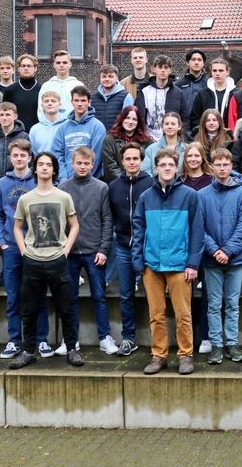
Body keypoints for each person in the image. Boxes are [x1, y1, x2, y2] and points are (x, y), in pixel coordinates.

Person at [7, 152, 85, 370]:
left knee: (66, 306)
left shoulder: (63, 197)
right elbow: (17, 227)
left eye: (48, 165)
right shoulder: (26, 198)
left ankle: (72, 348)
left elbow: (75, 225)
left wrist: (66, 250)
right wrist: (24, 251)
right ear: (35, 169)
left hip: (57, 260)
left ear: (54, 170)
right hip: (32, 260)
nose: (44, 168)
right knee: (29, 308)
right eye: (40, 164)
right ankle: (28, 350)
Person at [134, 148, 204, 375]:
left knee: (183, 314)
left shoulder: (189, 196)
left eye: (170, 165)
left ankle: (185, 355)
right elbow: (138, 230)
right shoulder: (146, 197)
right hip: (151, 264)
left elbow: (197, 231)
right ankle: (158, 355)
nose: (166, 168)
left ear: (176, 168)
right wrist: (139, 262)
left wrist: (193, 263)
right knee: (156, 314)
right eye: (162, 165)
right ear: (155, 168)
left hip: (179, 264)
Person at [0, 140, 50, 360]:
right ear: (11, 157)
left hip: (37, 247)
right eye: (15, 155)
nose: (19, 159)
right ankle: (15, 340)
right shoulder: (2, 183)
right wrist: (2, 241)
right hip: (11, 247)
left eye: (23, 155)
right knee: (13, 296)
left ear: (30, 158)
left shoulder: (38, 181)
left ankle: (42, 339)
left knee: (39, 294)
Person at [60, 146, 117, 356]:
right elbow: (60, 222)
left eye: (87, 163)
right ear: (72, 163)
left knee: (100, 296)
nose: (83, 167)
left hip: (95, 252)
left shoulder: (102, 188)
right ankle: (71, 341)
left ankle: (104, 337)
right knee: (70, 297)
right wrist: (63, 249)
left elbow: (107, 219)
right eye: (79, 163)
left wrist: (103, 249)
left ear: (92, 164)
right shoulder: (63, 188)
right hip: (70, 253)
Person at [197, 148, 242, 365]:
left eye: (226, 164)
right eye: (218, 164)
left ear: (231, 166)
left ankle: (232, 343)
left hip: (235, 258)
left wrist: (228, 250)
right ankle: (216, 345)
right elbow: (199, 228)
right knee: (213, 304)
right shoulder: (201, 195)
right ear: (211, 167)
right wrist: (214, 250)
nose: (222, 168)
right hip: (211, 260)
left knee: (232, 303)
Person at [107, 142, 155, 357]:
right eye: (128, 158)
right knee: (125, 294)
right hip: (124, 247)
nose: (132, 162)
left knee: (154, 295)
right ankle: (128, 338)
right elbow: (110, 216)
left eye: (136, 158)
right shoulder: (114, 186)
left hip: (148, 247)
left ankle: (158, 339)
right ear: (122, 161)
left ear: (141, 160)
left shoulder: (151, 184)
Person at [52, 86, 106, 181]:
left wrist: (85, 179)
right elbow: (57, 155)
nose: (79, 104)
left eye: (83, 100)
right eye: (76, 100)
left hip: (89, 182)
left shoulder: (97, 127)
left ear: (89, 102)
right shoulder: (63, 128)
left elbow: (96, 158)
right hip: (66, 182)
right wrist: (63, 179)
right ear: (71, 102)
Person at [135, 54, 191, 142]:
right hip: (149, 140)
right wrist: (144, 136)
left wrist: (181, 137)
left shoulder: (178, 93)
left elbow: (185, 118)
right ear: (154, 69)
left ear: (170, 70)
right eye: (160, 67)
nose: (163, 70)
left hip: (172, 139)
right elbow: (139, 117)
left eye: (166, 67)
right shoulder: (144, 92)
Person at [101, 105, 153, 183]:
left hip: (141, 183)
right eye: (127, 118)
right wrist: (126, 180)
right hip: (118, 184)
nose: (130, 122)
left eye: (134, 119)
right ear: (122, 119)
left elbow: (149, 164)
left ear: (138, 122)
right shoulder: (110, 140)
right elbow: (110, 166)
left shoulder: (147, 141)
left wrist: (139, 180)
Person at [189, 57, 238, 136]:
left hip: (229, 136)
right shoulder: (203, 94)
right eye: (214, 70)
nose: (217, 73)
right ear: (211, 72)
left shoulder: (236, 93)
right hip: (207, 137)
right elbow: (195, 117)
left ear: (227, 72)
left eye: (221, 70)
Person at [37, 50, 84, 124]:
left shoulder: (78, 85)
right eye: (58, 63)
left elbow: (84, 107)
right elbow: (41, 109)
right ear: (54, 65)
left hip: (74, 125)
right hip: (52, 126)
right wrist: (47, 125)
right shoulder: (46, 86)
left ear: (70, 64)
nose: (61, 65)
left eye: (64, 62)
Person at [0, 102, 29, 182]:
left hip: (17, 181)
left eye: (8, 115)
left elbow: (29, 162)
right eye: (1, 115)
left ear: (15, 116)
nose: (4, 118)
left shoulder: (24, 137)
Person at [3, 54, 42, 131]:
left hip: (38, 132)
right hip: (16, 133)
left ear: (35, 68)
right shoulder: (10, 90)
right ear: (18, 69)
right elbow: (5, 113)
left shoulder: (42, 89)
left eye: (29, 66)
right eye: (23, 66)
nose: (26, 68)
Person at [91, 63, 135, 132]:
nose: (107, 79)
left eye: (110, 76)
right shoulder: (93, 98)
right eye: (104, 76)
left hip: (117, 139)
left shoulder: (126, 97)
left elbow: (129, 122)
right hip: (97, 139)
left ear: (117, 77)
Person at [176, 49, 211, 121]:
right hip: (184, 125)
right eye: (193, 59)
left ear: (203, 63)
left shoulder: (209, 84)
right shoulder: (179, 85)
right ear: (188, 63)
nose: (196, 62)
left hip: (204, 125)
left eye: (199, 60)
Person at [28, 91, 65, 155]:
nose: (50, 103)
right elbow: (34, 152)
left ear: (60, 105)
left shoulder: (67, 126)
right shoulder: (35, 129)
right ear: (42, 106)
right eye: (46, 101)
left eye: (53, 101)